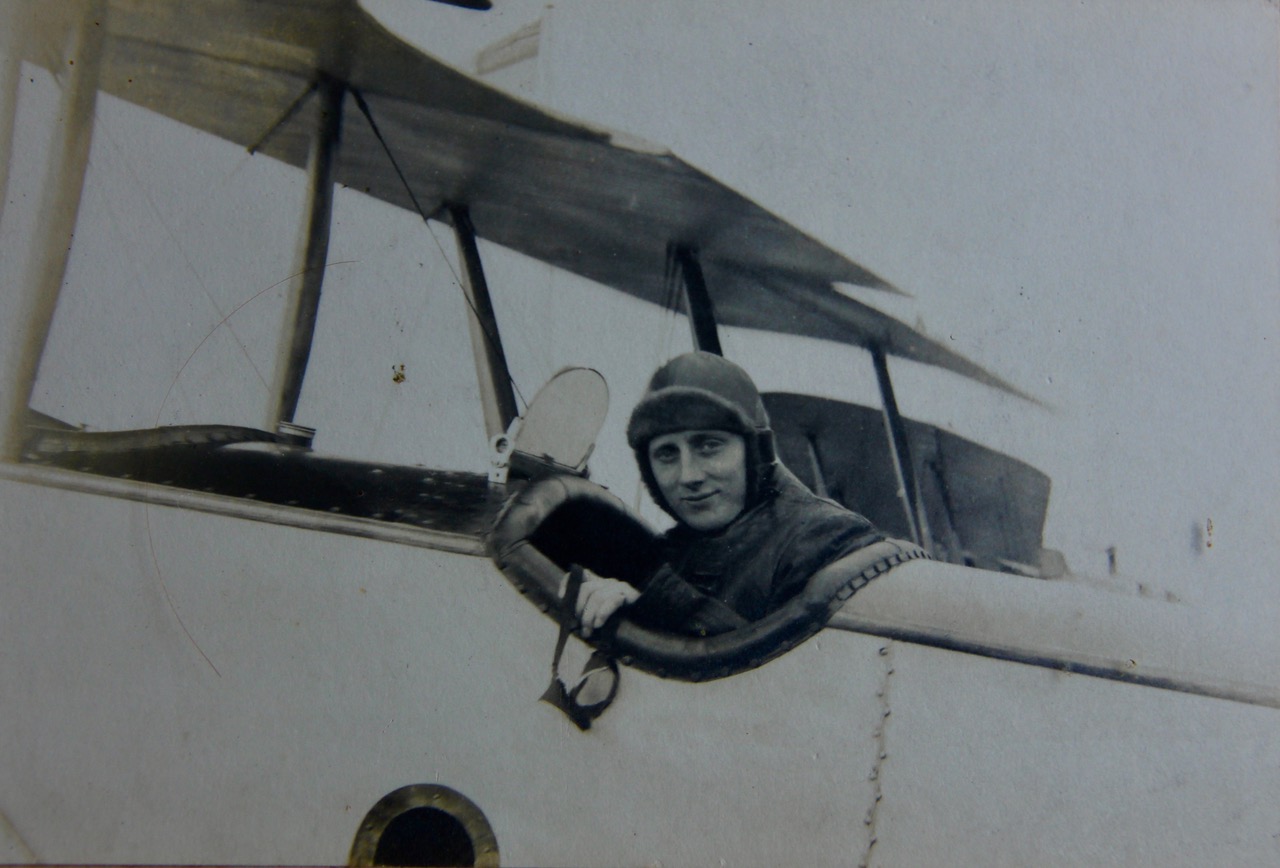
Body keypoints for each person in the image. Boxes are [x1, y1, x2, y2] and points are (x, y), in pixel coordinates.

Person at [574, 351, 883, 638]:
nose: (689, 476)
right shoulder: (677, 549)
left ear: (755, 452)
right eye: (667, 454)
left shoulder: (824, 538)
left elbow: (781, 669)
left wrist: (659, 605)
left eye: (709, 446)